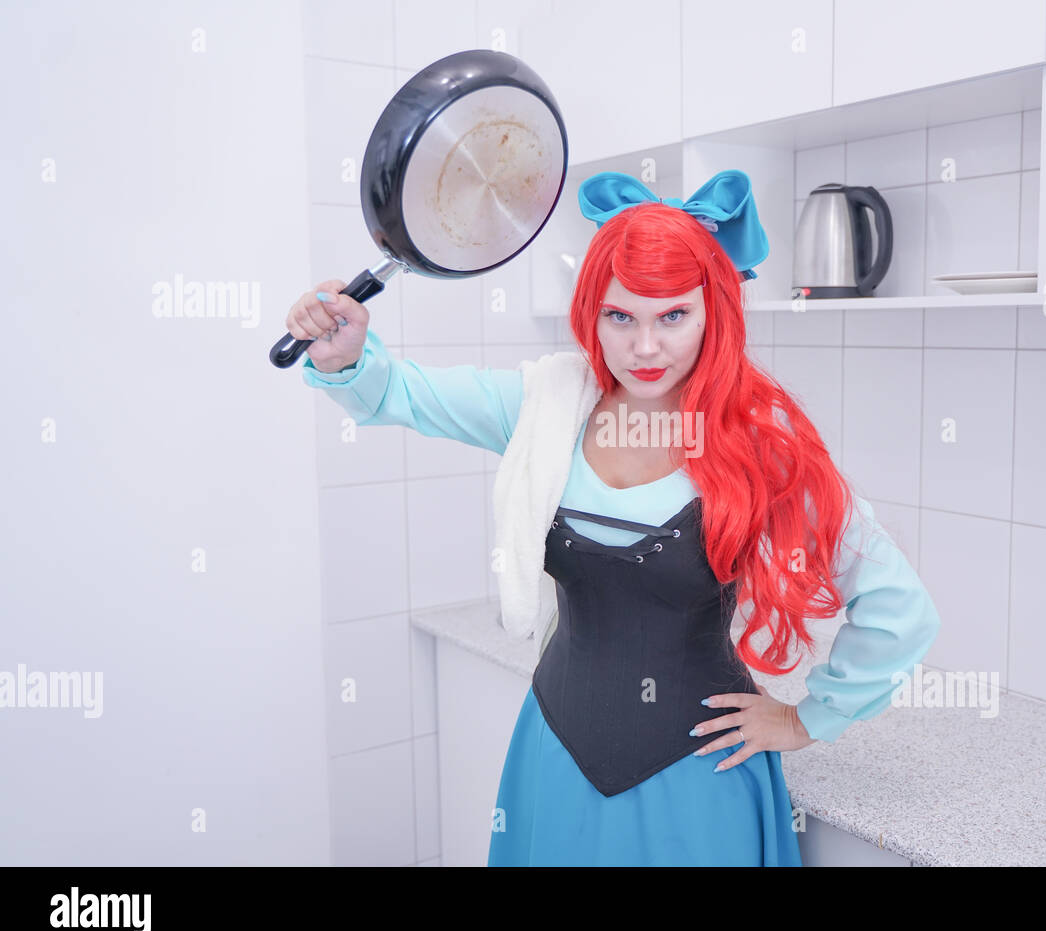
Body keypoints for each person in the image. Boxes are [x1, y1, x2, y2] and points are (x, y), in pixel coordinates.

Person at [286, 169, 941, 867]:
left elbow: (901, 608)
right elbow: (408, 395)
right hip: (553, 757)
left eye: (673, 317)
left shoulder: (760, 444)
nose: (646, 348)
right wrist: (348, 355)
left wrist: (809, 717)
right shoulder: (549, 406)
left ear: (713, 312)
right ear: (592, 314)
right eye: (620, 316)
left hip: (697, 784)